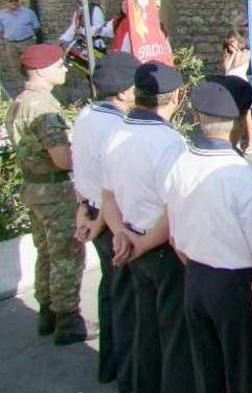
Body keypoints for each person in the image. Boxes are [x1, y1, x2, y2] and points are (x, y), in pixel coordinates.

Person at [164, 76, 252, 393]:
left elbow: (174, 233)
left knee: (209, 370)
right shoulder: (244, 176)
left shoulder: (181, 162)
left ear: (199, 118)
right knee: (247, 374)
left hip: (195, 277)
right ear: (241, 121)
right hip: (237, 286)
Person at [101, 61, 195, 393]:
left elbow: (107, 197)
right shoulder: (169, 142)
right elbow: (173, 210)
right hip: (160, 249)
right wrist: (140, 243)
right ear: (176, 97)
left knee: (146, 329)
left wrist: (122, 235)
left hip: (133, 240)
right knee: (174, 336)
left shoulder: (117, 134)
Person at [3, 44, 88, 344]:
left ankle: (47, 312)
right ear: (41, 70)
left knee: (46, 253)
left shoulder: (20, 101)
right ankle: (68, 319)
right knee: (67, 253)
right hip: (55, 190)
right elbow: (62, 159)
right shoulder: (44, 107)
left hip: (34, 188)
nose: (64, 69)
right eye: (59, 65)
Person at [71, 51, 141, 387]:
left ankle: (109, 364)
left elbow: (80, 170)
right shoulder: (117, 126)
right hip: (113, 221)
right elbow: (108, 186)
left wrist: (83, 211)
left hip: (94, 212)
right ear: (126, 92)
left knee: (111, 292)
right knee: (126, 302)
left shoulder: (86, 114)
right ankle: (127, 375)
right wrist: (102, 223)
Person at [0, 0, 41, 94]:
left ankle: (35, 87)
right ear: (6, 3)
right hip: (10, 44)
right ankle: (21, 90)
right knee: (14, 67)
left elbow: (36, 27)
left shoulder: (28, 12)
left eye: (15, 0)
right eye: (11, 1)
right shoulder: (2, 15)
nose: (14, 2)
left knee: (31, 65)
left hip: (27, 42)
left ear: (19, 1)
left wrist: (28, 36)